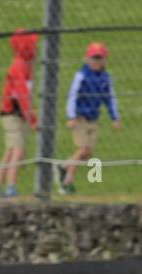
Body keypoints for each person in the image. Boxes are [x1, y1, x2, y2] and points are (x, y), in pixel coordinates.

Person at [0, 30, 37, 201]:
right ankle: (10, 188)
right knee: (17, 149)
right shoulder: (19, 66)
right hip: (12, 112)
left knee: (10, 151)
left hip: (17, 112)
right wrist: (31, 117)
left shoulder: (25, 65)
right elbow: (21, 94)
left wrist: (29, 114)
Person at [60, 42, 121, 195]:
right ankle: (67, 181)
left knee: (88, 153)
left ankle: (64, 166)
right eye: (93, 58)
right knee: (83, 149)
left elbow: (109, 98)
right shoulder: (81, 76)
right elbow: (72, 96)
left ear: (104, 60)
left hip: (93, 119)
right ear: (87, 58)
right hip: (80, 117)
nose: (96, 62)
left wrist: (115, 118)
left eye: (99, 58)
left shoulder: (105, 78)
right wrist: (71, 116)